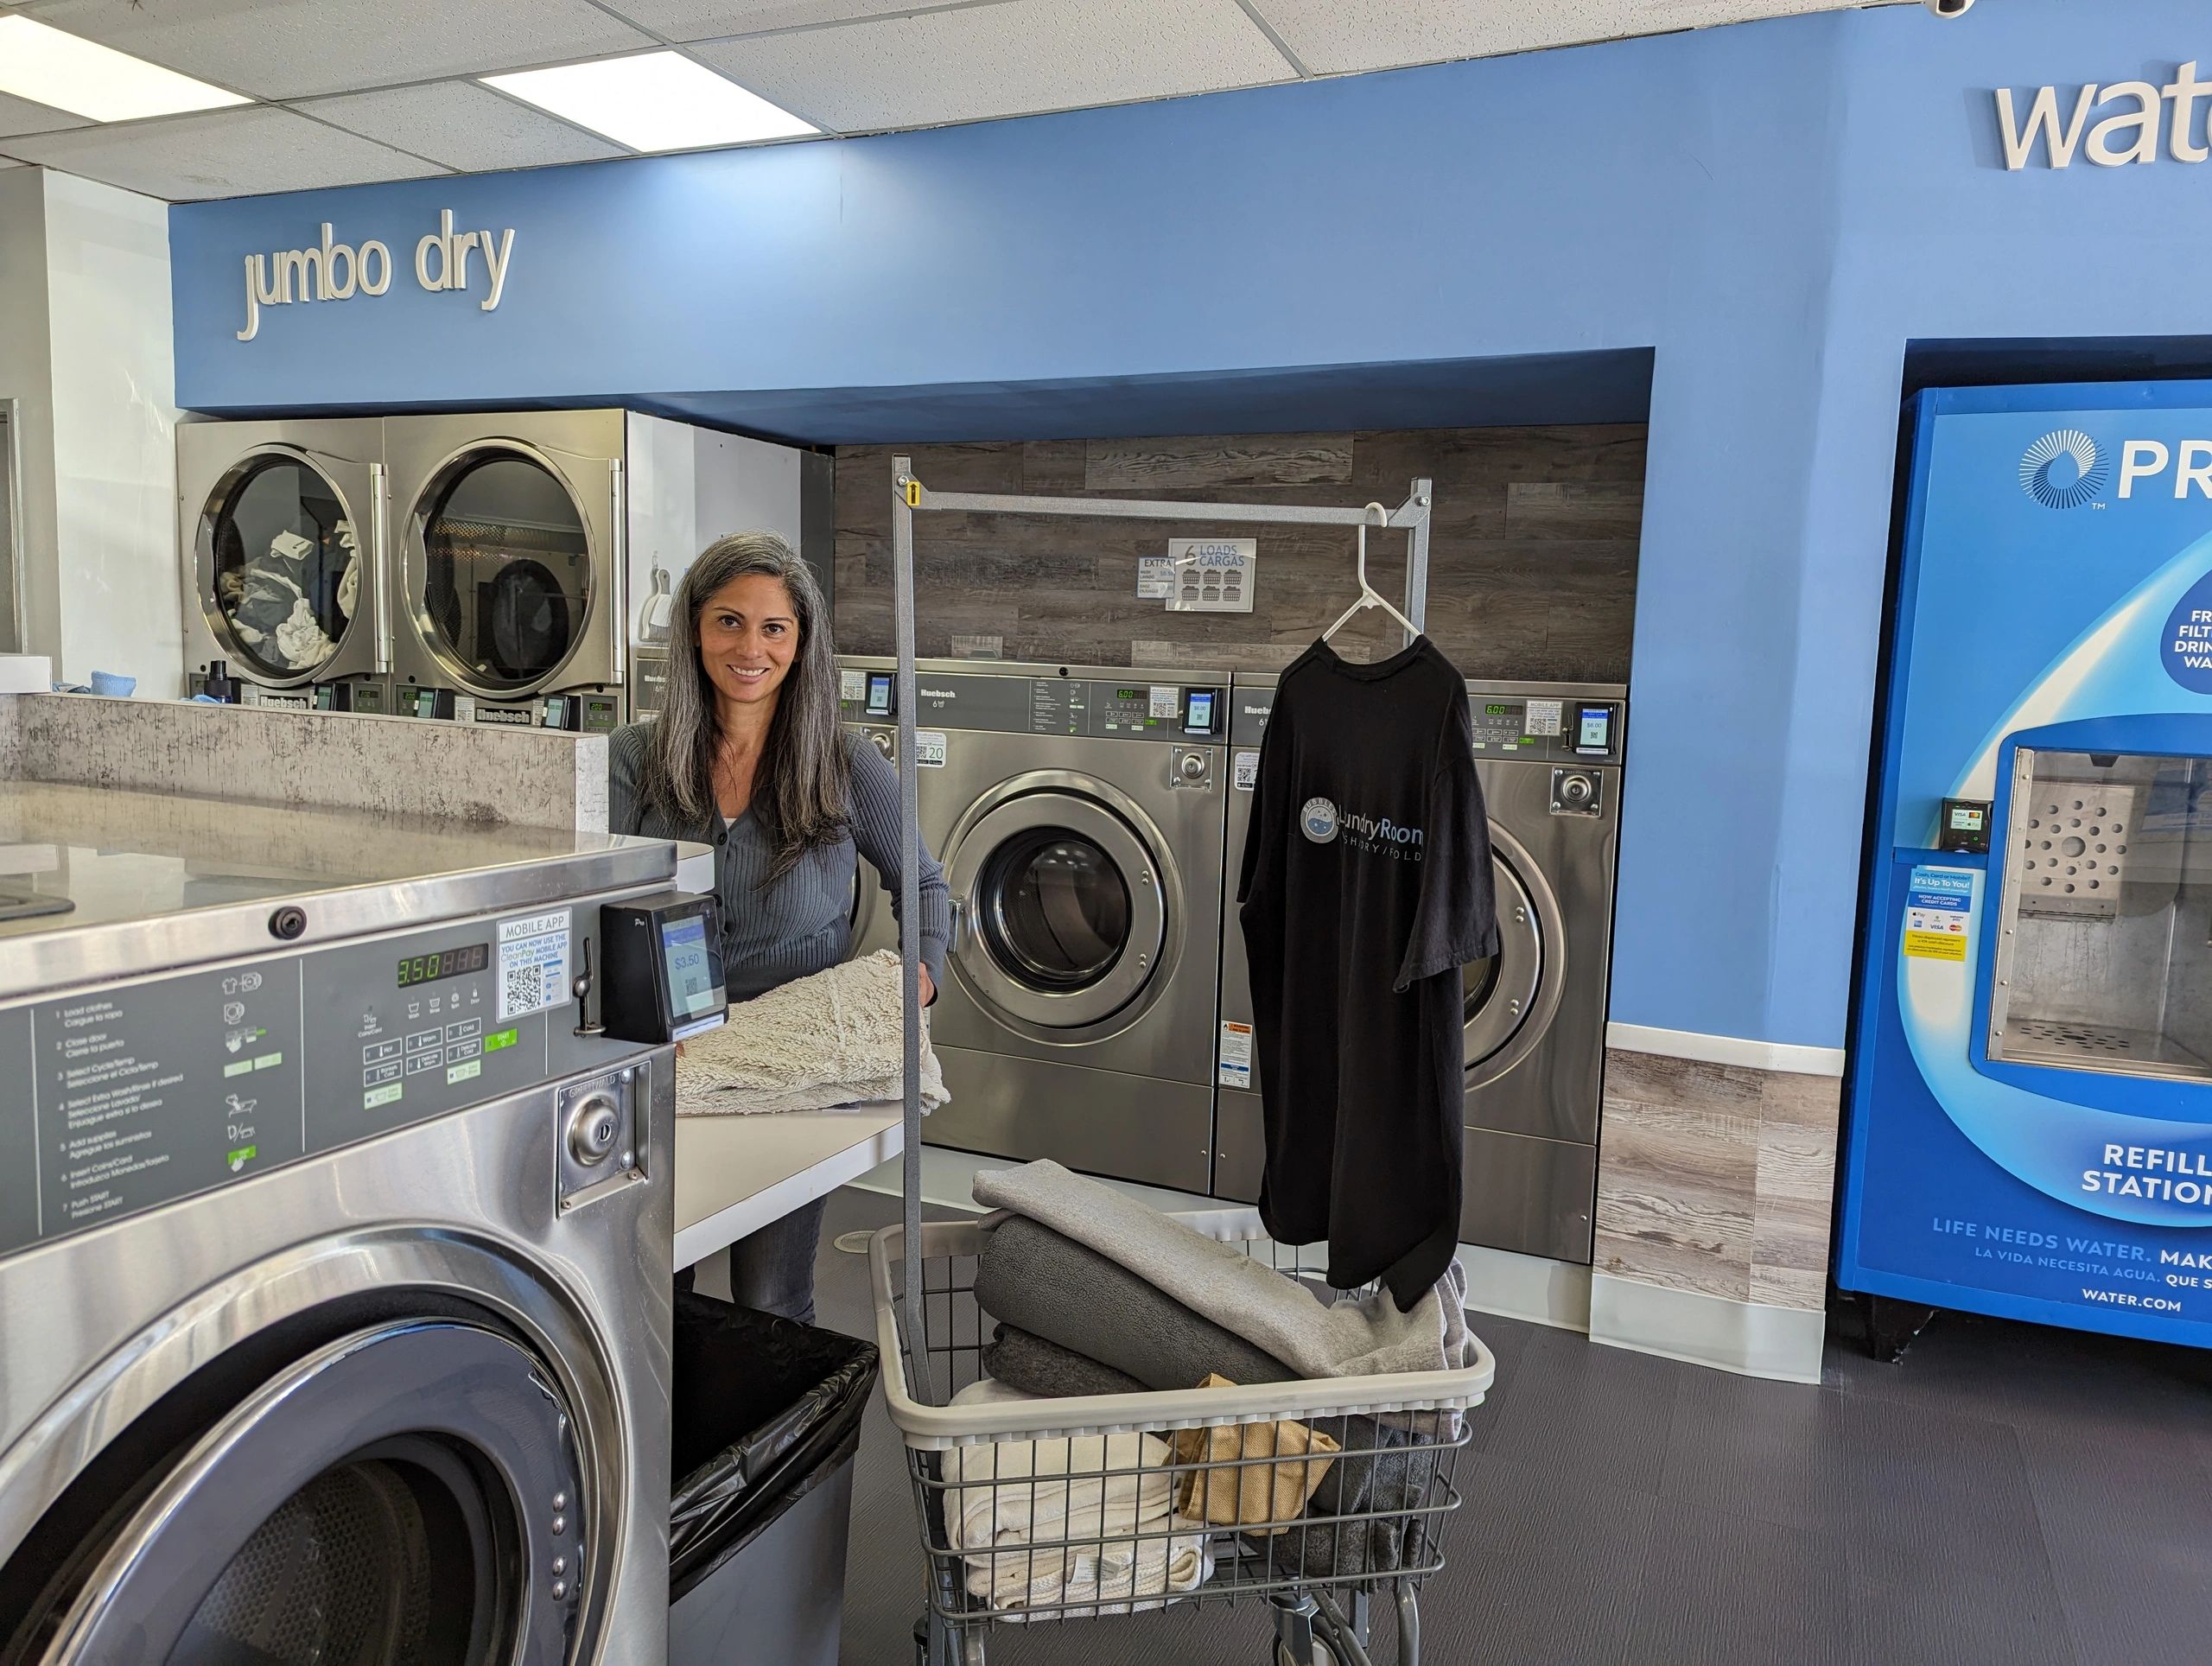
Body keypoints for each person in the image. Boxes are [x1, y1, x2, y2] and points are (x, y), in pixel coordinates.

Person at [608, 531, 949, 1325]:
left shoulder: (843, 763)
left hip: (794, 1075)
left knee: (770, 1296)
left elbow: (927, 884)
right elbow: (583, 906)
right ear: (694, 629)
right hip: (670, 1065)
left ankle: (782, 1452)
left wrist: (916, 981)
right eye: (728, 622)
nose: (749, 648)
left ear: (802, 644)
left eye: (773, 628)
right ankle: (685, 1448)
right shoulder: (633, 760)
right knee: (661, 1285)